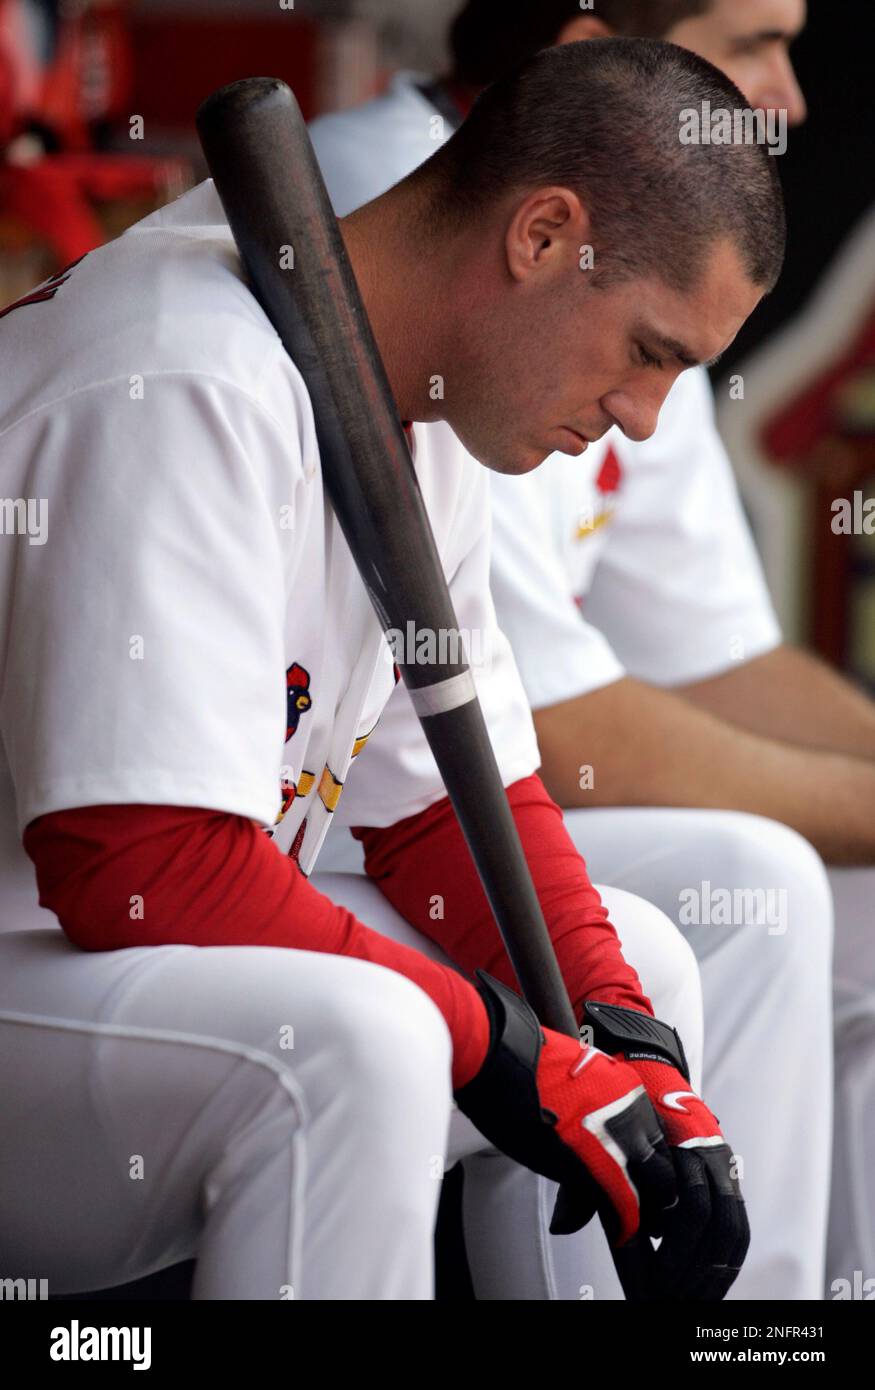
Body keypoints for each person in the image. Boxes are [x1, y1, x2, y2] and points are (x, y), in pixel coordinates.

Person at [0, 39, 776, 1299]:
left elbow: (439, 813)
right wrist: (503, 1050)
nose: (643, 416)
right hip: (39, 963)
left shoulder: (422, 401)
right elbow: (136, 860)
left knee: (635, 972)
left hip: (104, 989)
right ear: (541, 236)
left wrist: (609, 1029)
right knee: (363, 1042)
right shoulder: (185, 372)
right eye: (646, 348)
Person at [310, 0, 841, 1299]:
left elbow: (711, 653)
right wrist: (508, 1037)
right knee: (755, 884)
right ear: (586, 52)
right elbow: (559, 728)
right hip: (236, 835)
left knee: (725, 919)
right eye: (754, 40)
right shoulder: (452, 265)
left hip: (353, 799)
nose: (786, 95)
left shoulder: (634, 264)